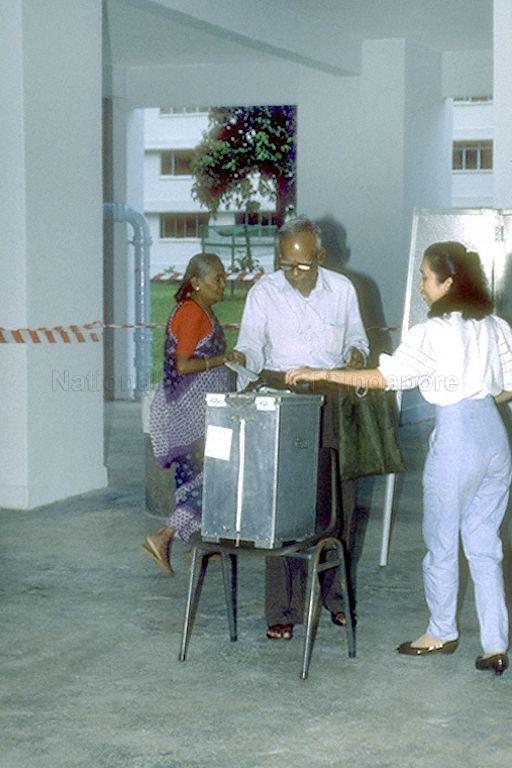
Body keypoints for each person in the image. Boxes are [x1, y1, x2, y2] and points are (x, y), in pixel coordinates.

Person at [286, 241, 512, 675]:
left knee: (442, 543)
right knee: (485, 547)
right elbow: (507, 386)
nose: (422, 287)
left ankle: (441, 631)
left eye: (427, 278)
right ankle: (495, 644)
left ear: (448, 283)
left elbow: (384, 378)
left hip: (458, 438)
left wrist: (323, 373)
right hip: (494, 436)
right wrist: (473, 394)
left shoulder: (431, 333)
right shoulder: (493, 326)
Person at [234, 217, 369, 640]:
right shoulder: (264, 292)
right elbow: (252, 346)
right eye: (286, 265)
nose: (293, 274)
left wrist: (353, 354)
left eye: (302, 266)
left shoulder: (343, 290)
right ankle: (282, 609)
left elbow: (360, 341)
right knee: (284, 508)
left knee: (338, 504)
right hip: (284, 400)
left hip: (332, 396)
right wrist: (242, 362)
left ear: (321, 257)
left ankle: (335, 598)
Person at [141, 252, 243, 574]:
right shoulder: (191, 312)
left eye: (225, 277)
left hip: (197, 414)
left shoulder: (201, 311)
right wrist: (222, 359)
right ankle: (165, 535)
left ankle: (204, 542)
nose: (224, 284)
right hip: (191, 417)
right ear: (196, 283)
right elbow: (183, 365)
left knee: (198, 478)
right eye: (218, 278)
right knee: (215, 476)